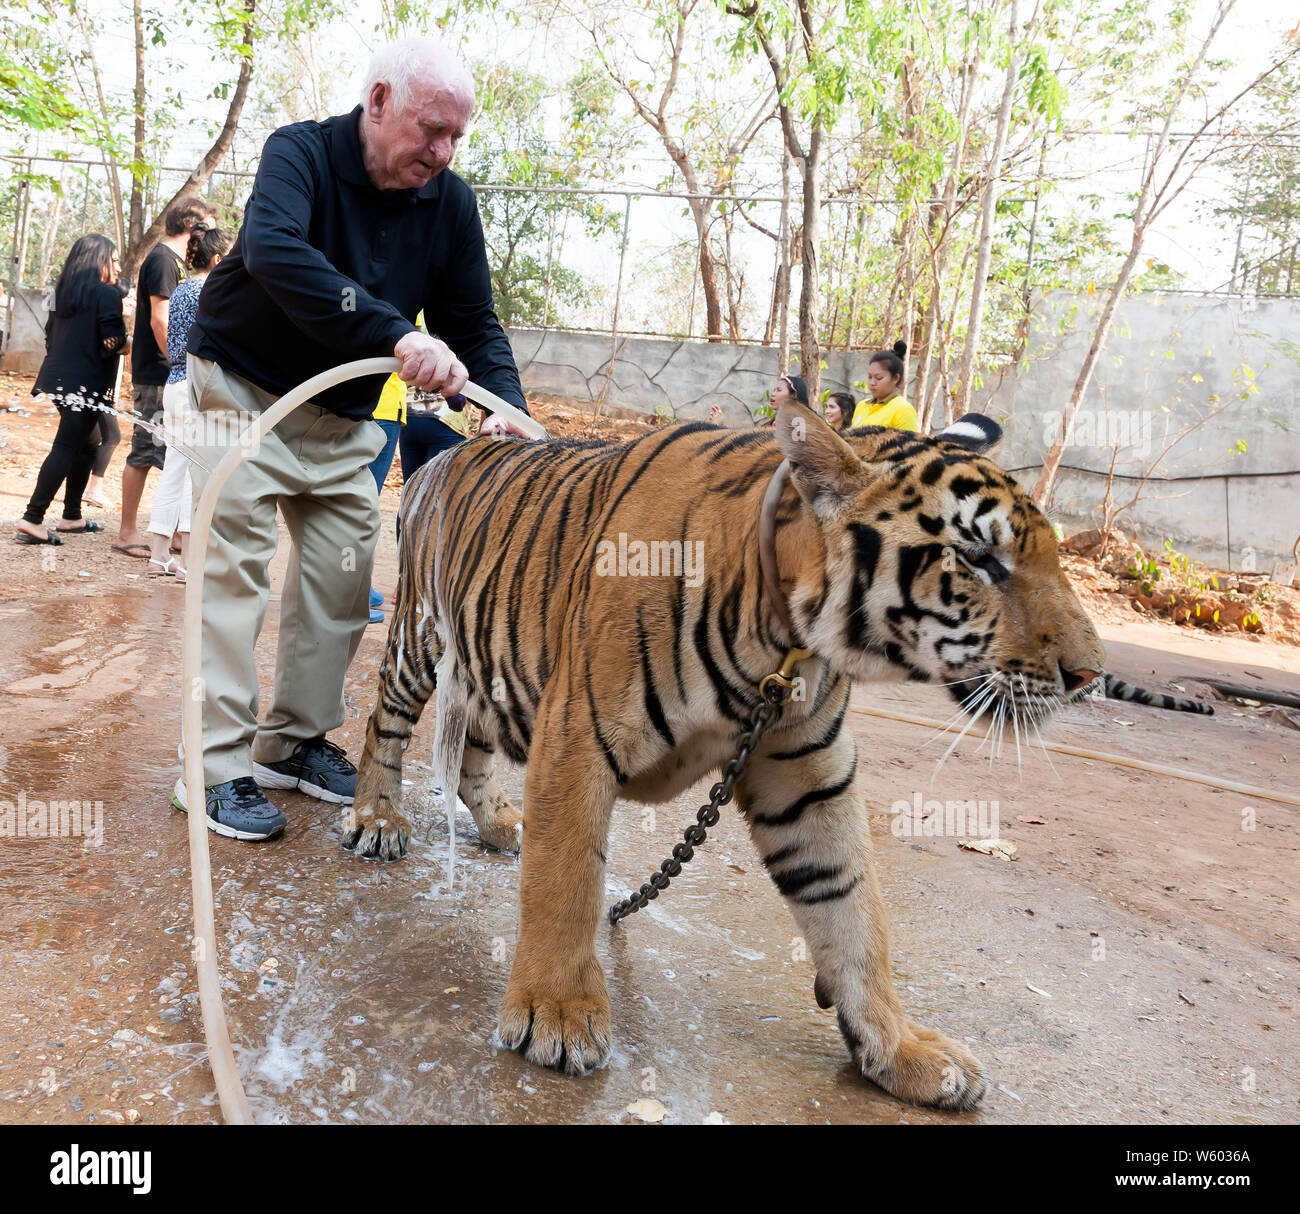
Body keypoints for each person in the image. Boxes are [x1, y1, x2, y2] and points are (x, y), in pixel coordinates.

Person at [174, 36, 532, 841]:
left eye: (455, 138)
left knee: (340, 585)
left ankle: (291, 741)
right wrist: (395, 332)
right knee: (234, 571)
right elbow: (273, 251)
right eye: (429, 130)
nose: (441, 153)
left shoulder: (452, 205)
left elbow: (473, 321)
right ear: (376, 101)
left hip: (345, 417)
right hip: (240, 389)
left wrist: (503, 405)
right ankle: (217, 766)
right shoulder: (297, 153)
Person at [114, 195, 216, 560]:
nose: (210, 233)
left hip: (168, 373)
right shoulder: (162, 261)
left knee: (174, 458)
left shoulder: (177, 266)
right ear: (192, 226)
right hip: (162, 373)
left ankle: (173, 538)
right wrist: (180, 366)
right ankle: (127, 532)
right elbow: (161, 320)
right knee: (146, 450)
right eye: (207, 225)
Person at [16, 235, 127, 545]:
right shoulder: (106, 293)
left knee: (91, 443)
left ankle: (72, 516)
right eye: (114, 259)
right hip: (84, 382)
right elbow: (112, 341)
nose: (117, 266)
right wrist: (134, 344)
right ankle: (33, 518)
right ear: (99, 260)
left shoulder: (64, 294)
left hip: (58, 378)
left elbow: (51, 338)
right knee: (66, 445)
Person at [144, 224, 232, 583]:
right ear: (218, 259)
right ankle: (189, 562)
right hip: (199, 386)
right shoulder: (213, 291)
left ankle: (159, 555)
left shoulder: (180, 289)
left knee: (176, 468)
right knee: (198, 473)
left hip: (175, 382)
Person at [851, 340, 919, 431]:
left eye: (878, 378)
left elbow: (911, 445)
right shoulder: (861, 406)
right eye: (869, 377)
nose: (872, 382)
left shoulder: (902, 409)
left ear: (896, 378)